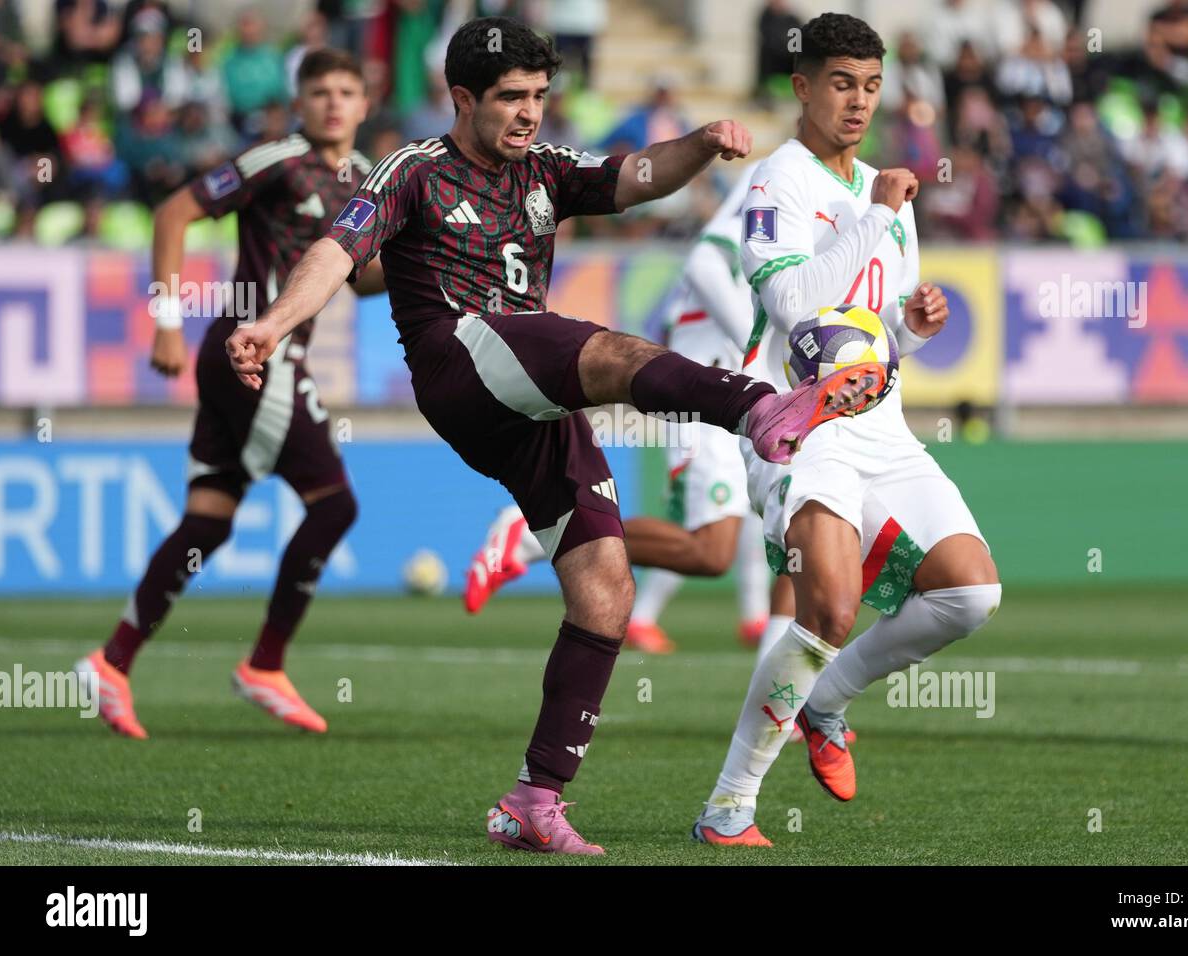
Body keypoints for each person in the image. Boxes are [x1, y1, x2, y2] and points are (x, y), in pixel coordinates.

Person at [224, 17, 877, 856]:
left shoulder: (547, 169)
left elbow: (638, 176)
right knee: (608, 351)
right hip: (460, 359)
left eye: (539, 95)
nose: (530, 113)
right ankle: (756, 407)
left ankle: (535, 798)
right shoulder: (414, 170)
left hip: (524, 394)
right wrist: (273, 324)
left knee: (606, 590)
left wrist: (704, 143)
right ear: (462, 98)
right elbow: (335, 250)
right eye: (510, 98)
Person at [691, 13, 1002, 847]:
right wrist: (874, 213)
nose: (859, 101)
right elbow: (795, 309)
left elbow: (874, 330)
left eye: (870, 84)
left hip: (883, 426)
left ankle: (826, 702)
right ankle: (728, 808)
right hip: (800, 422)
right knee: (828, 606)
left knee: (971, 592)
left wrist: (916, 324)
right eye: (841, 83)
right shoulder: (776, 184)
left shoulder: (884, 194)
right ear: (801, 86)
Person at [75, 49, 381, 740]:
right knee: (334, 506)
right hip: (251, 353)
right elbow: (172, 214)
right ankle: (265, 664)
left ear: (366, 103)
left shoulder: (365, 182)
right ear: (299, 102)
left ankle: (111, 660)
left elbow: (361, 279)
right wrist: (164, 321)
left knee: (209, 520)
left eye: (347, 90)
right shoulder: (276, 158)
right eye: (320, 91)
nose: (333, 102)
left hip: (259, 359)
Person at [462, 166, 773, 653]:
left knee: (749, 536)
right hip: (710, 410)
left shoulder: (779, 245)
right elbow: (701, 271)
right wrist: (752, 355)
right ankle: (535, 530)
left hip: (741, 410)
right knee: (711, 551)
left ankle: (788, 675)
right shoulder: (743, 233)